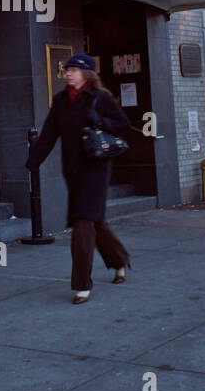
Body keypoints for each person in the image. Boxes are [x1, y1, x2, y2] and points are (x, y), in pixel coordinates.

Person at [26, 53, 132, 304]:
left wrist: (101, 121)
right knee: (95, 221)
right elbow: (50, 133)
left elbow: (123, 124)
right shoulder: (61, 100)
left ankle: (82, 285)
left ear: (87, 73)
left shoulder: (101, 98)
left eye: (74, 70)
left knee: (83, 222)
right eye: (68, 69)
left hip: (97, 167)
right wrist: (34, 160)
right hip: (73, 169)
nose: (68, 73)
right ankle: (119, 261)